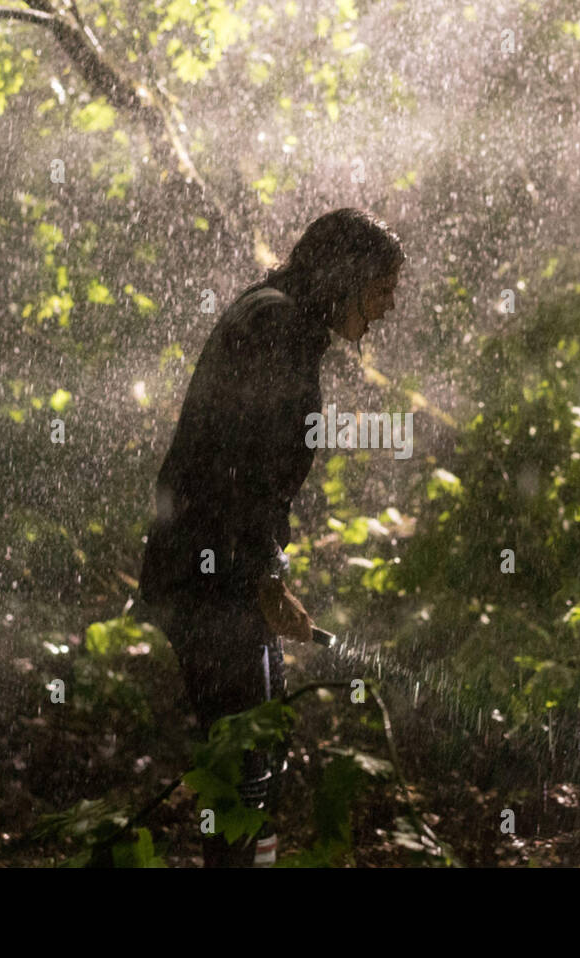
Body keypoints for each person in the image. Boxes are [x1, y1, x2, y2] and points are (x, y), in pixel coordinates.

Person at [138, 208, 404, 867]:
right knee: (244, 763)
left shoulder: (279, 318)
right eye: (381, 291)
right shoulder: (278, 324)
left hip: (211, 566)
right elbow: (242, 467)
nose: (385, 310)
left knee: (258, 751)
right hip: (207, 573)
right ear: (347, 277)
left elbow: (256, 472)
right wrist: (264, 578)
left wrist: (266, 573)